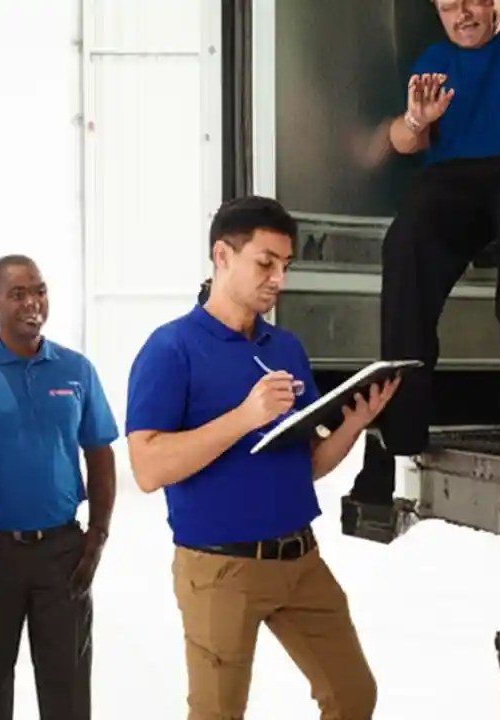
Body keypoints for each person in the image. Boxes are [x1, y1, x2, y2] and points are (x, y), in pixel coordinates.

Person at [125, 196, 400, 719]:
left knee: (353, 695)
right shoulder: (171, 349)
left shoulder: (285, 347)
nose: (279, 279)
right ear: (222, 257)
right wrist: (245, 416)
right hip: (220, 567)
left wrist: (356, 423)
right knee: (218, 714)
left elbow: (309, 464)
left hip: (301, 561)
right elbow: (147, 468)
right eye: (265, 263)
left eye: (286, 265)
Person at [376, 0, 500, 460]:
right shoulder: (434, 62)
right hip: (453, 176)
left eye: (472, 3)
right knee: (405, 243)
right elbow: (401, 141)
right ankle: (404, 426)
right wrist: (417, 121)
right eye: (450, 6)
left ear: (495, 5)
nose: (462, 15)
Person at [0, 254, 119, 720]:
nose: (32, 303)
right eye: (18, 294)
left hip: (62, 553)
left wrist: (97, 536)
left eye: (39, 291)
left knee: (66, 691)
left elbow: (100, 453)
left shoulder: (75, 369)